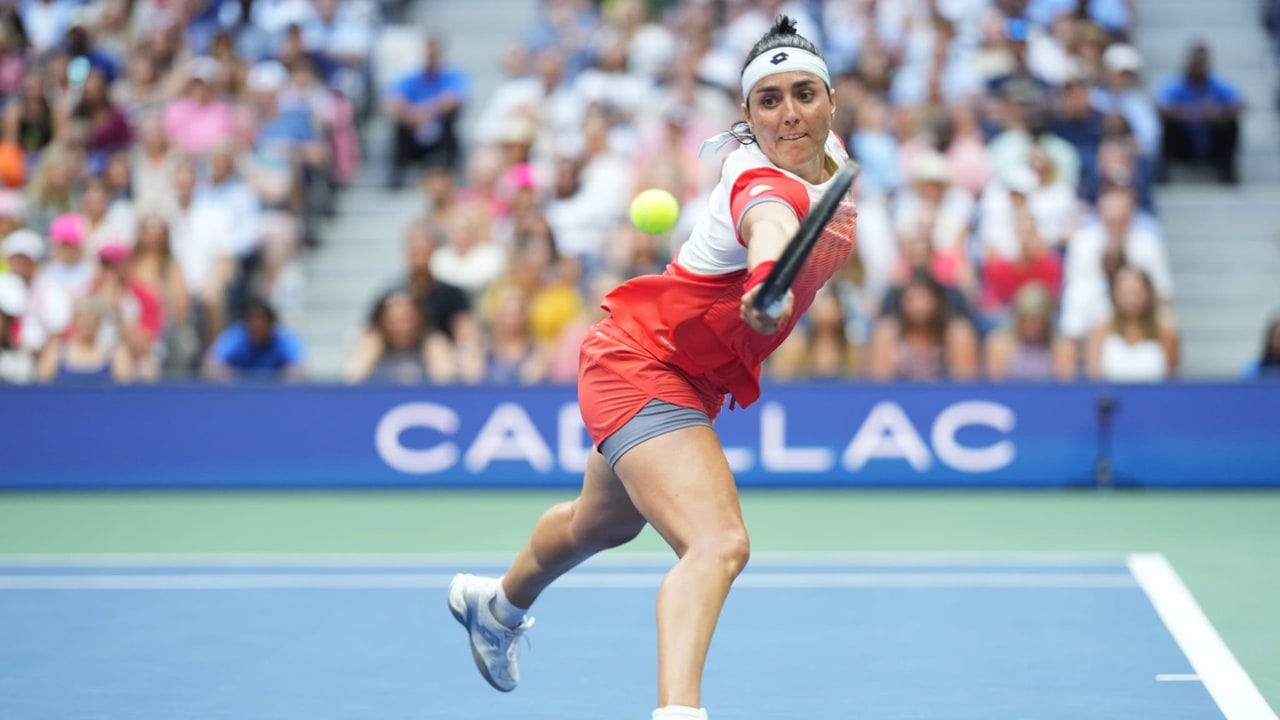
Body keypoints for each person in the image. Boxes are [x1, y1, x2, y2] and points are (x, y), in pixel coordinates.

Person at [447, 17, 857, 720]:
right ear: (748, 115)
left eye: (804, 94)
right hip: (642, 364)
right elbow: (771, 226)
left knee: (600, 524)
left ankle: (497, 606)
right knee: (717, 543)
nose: (789, 113)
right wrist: (769, 280)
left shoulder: (831, 159)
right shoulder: (761, 181)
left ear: (831, 102)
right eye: (769, 101)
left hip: (687, 375)